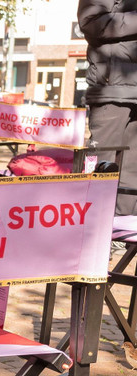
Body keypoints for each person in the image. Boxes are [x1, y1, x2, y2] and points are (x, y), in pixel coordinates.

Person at [78, 0, 137, 217]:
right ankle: (89, 231)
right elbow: (91, 23)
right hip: (110, 91)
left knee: (132, 175)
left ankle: (120, 236)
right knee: (100, 166)